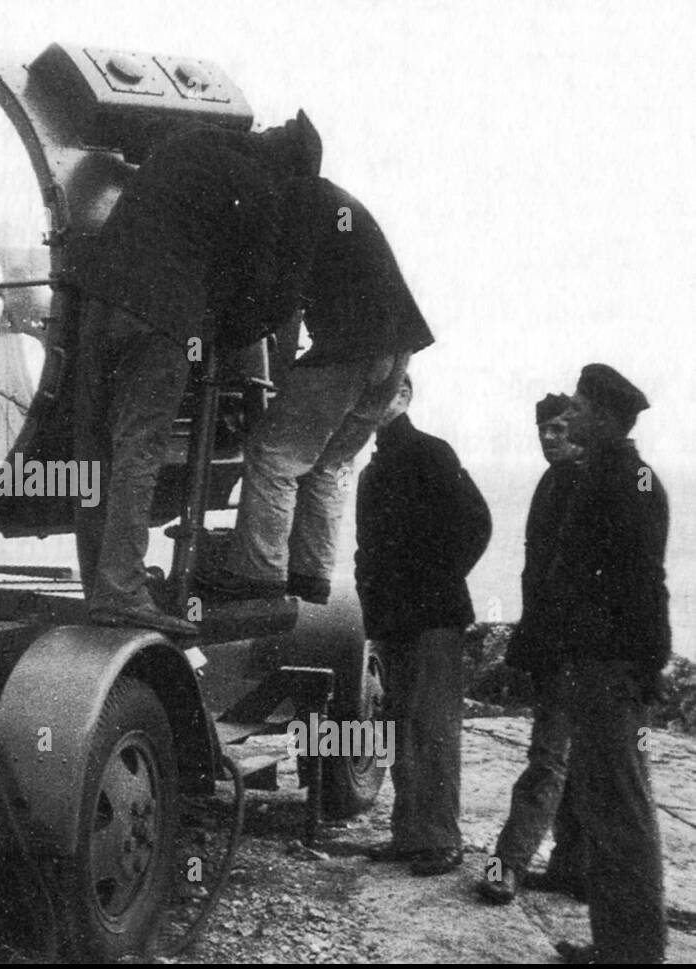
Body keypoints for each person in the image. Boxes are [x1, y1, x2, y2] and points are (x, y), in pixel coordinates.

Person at [73, 113, 323, 635]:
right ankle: (121, 593)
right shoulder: (261, 188)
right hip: (160, 317)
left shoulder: (189, 142)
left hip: (98, 306)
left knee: (94, 449)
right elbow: (254, 293)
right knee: (139, 450)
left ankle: (99, 586)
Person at [204, 184, 434, 605]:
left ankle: (258, 573)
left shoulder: (294, 206)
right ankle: (310, 574)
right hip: (396, 349)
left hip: (351, 347)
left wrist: (232, 332)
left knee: (274, 457)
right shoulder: (335, 205)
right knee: (328, 462)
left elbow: (279, 299)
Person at [545, 364, 669, 965]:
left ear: (602, 413)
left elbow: (646, 580)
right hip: (597, 663)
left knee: (621, 810)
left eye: (578, 404)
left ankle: (635, 958)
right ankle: (616, 947)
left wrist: (647, 664)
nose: (568, 414)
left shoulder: (631, 479)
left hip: (611, 667)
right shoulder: (608, 474)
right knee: (606, 805)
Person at [355, 373, 491, 875]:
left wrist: (435, 583)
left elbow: (477, 522)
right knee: (397, 727)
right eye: (370, 392)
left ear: (406, 396)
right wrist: (371, 593)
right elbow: (367, 548)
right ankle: (409, 835)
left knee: (432, 731)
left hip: (433, 618)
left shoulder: (432, 452)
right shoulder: (373, 471)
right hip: (394, 621)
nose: (374, 401)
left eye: (385, 391)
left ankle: (440, 841)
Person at [478, 393, 587, 905]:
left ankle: (507, 866)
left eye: (560, 428)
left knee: (548, 763)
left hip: (577, 651)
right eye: (543, 429)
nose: (549, 437)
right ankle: (571, 868)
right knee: (571, 762)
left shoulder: (586, 481)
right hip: (564, 648)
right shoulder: (557, 480)